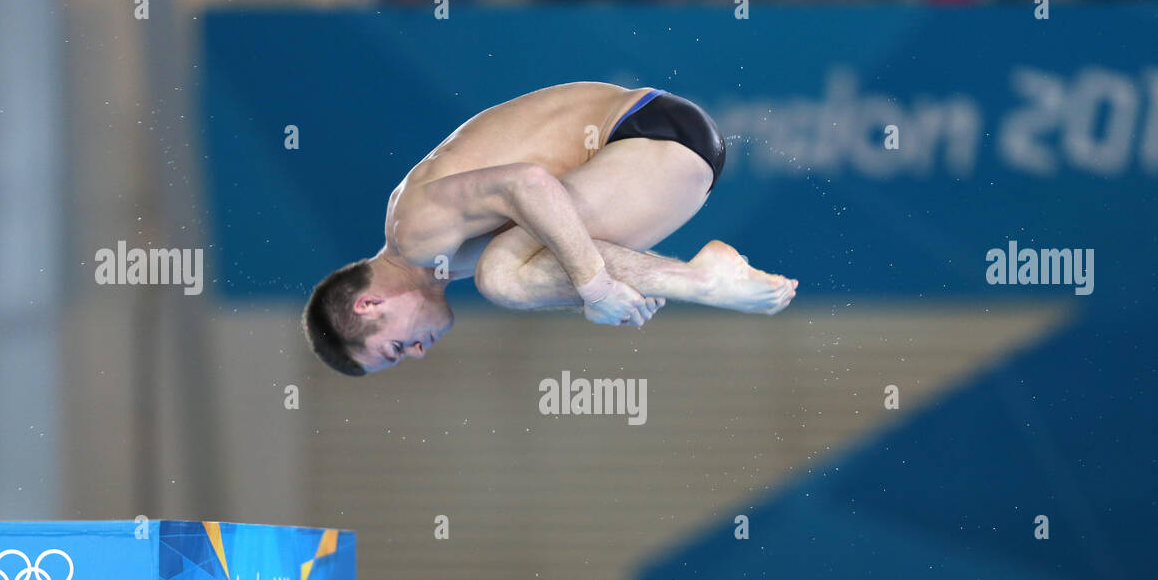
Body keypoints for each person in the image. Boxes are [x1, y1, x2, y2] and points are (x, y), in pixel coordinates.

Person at [303, 82, 797, 376]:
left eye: (393, 349)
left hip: (647, 133)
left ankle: (702, 280)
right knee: (513, 270)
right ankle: (698, 278)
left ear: (369, 304)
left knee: (501, 276)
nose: (415, 353)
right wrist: (603, 289)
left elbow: (529, 183)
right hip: (665, 148)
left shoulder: (413, 233)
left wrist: (596, 288)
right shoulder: (441, 262)